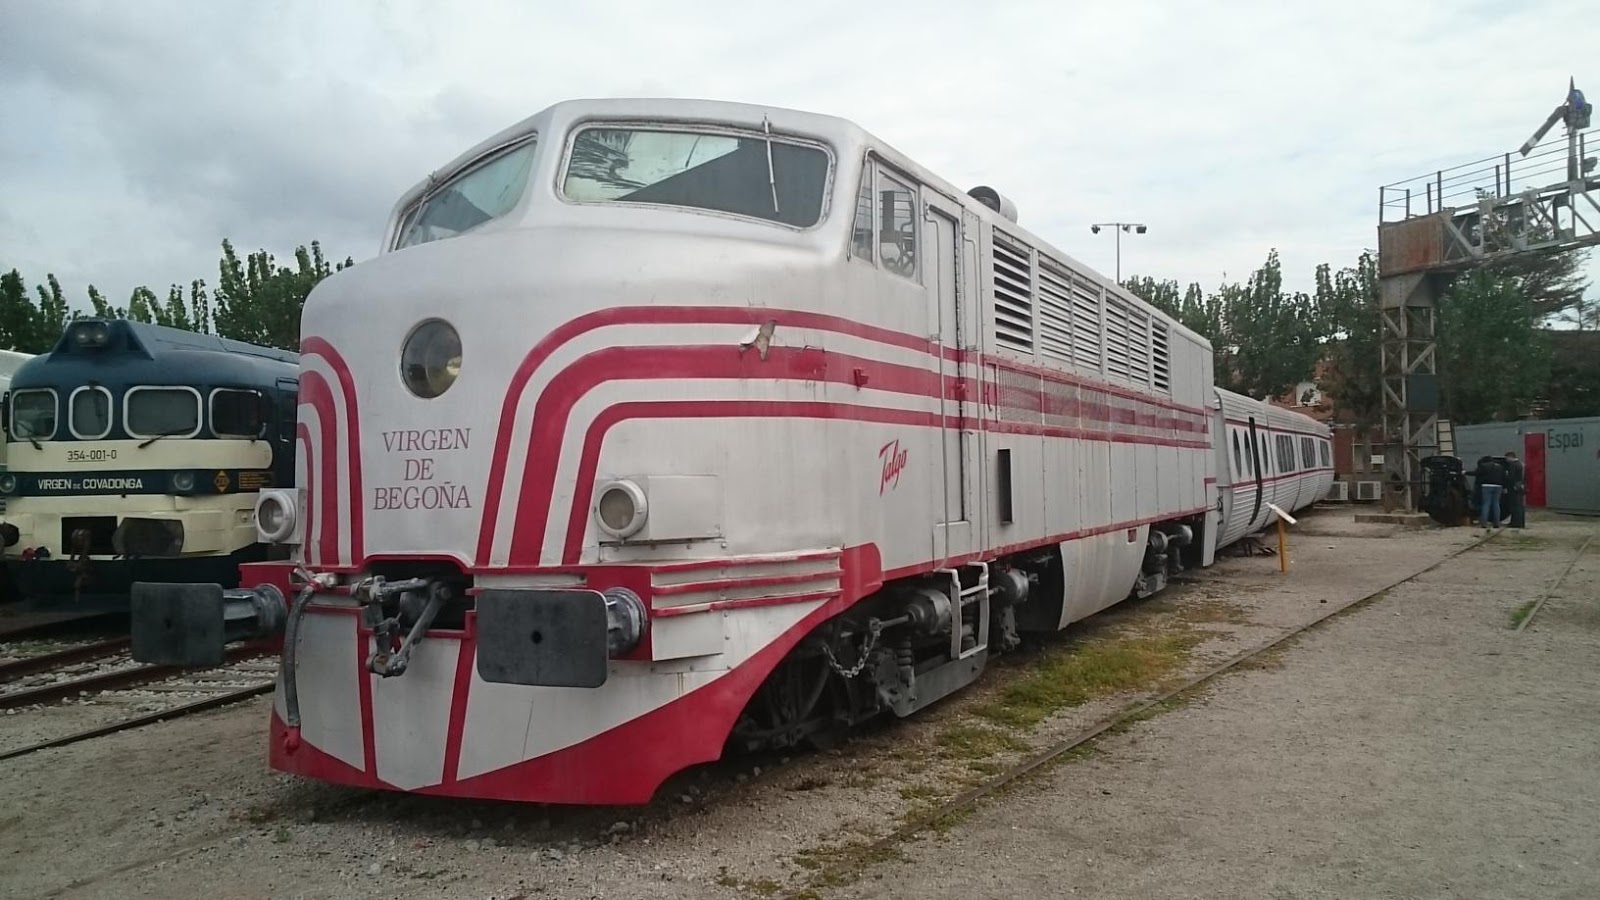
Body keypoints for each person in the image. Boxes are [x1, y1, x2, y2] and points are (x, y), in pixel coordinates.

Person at [1473, 455, 1507, 531]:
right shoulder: (1500, 467)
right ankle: (1496, 523)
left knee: (1486, 504)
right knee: (1496, 504)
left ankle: (1484, 523)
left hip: (1486, 486)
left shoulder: (1484, 466)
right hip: (1498, 486)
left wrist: (1465, 472)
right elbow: (1504, 477)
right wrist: (1504, 487)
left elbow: (1477, 473)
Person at [1504, 450, 1526, 529]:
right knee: (1520, 506)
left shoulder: (1512, 465)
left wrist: (1507, 486)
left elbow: (1511, 477)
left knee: (1514, 506)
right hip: (1520, 487)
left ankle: (1515, 523)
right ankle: (1520, 523)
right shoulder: (1520, 464)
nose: (1506, 460)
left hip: (1513, 488)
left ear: (1510, 457)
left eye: (1506, 458)